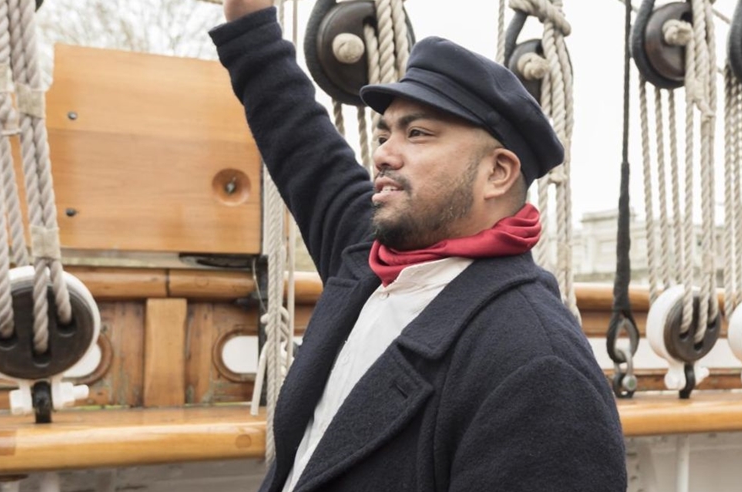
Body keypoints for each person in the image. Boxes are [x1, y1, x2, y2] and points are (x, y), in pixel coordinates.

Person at [210, 2, 627, 491]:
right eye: (385, 132)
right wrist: (248, 20)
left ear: (497, 172)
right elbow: (301, 140)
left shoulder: (537, 364)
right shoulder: (368, 260)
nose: (384, 153)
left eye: (418, 133)